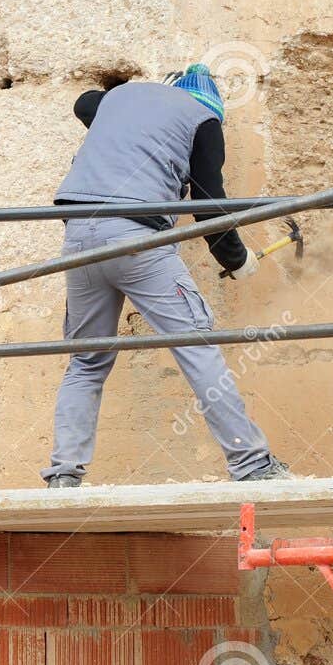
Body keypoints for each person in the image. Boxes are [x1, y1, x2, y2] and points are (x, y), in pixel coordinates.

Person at [42, 64, 292, 488]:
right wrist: (236, 258)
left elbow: (84, 102)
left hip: (78, 237)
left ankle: (64, 476)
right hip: (137, 239)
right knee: (196, 346)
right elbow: (209, 203)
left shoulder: (120, 98)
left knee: (86, 360)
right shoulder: (204, 120)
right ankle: (252, 465)